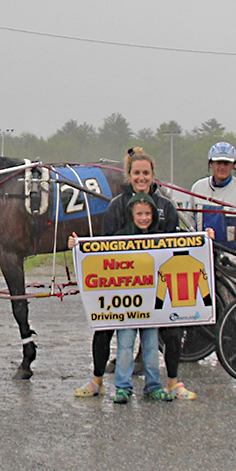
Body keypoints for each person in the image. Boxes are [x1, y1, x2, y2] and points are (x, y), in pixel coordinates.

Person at [75, 147, 192, 399]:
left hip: (157, 285)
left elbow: (176, 243)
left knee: (173, 329)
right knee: (103, 328)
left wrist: (204, 239)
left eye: (146, 173)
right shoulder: (116, 206)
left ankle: (172, 382)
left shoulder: (165, 206)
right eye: (137, 173)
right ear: (129, 175)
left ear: (152, 175)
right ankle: (97, 381)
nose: (141, 178)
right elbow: (103, 246)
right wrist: (79, 245)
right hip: (123, 286)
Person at [71, 193, 174, 403]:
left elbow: (186, 243)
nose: (144, 218)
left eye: (148, 214)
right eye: (139, 214)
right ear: (131, 215)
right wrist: (77, 244)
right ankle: (123, 387)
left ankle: (153, 385)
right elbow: (98, 250)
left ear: (154, 215)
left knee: (151, 348)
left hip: (152, 305)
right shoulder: (119, 237)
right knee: (125, 346)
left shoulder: (161, 238)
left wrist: (206, 236)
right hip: (127, 306)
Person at [189, 141, 236, 259]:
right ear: (211, 164)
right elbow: (190, 222)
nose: (222, 167)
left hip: (235, 258)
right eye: (218, 163)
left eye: (226, 163)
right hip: (203, 256)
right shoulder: (198, 187)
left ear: (233, 165)